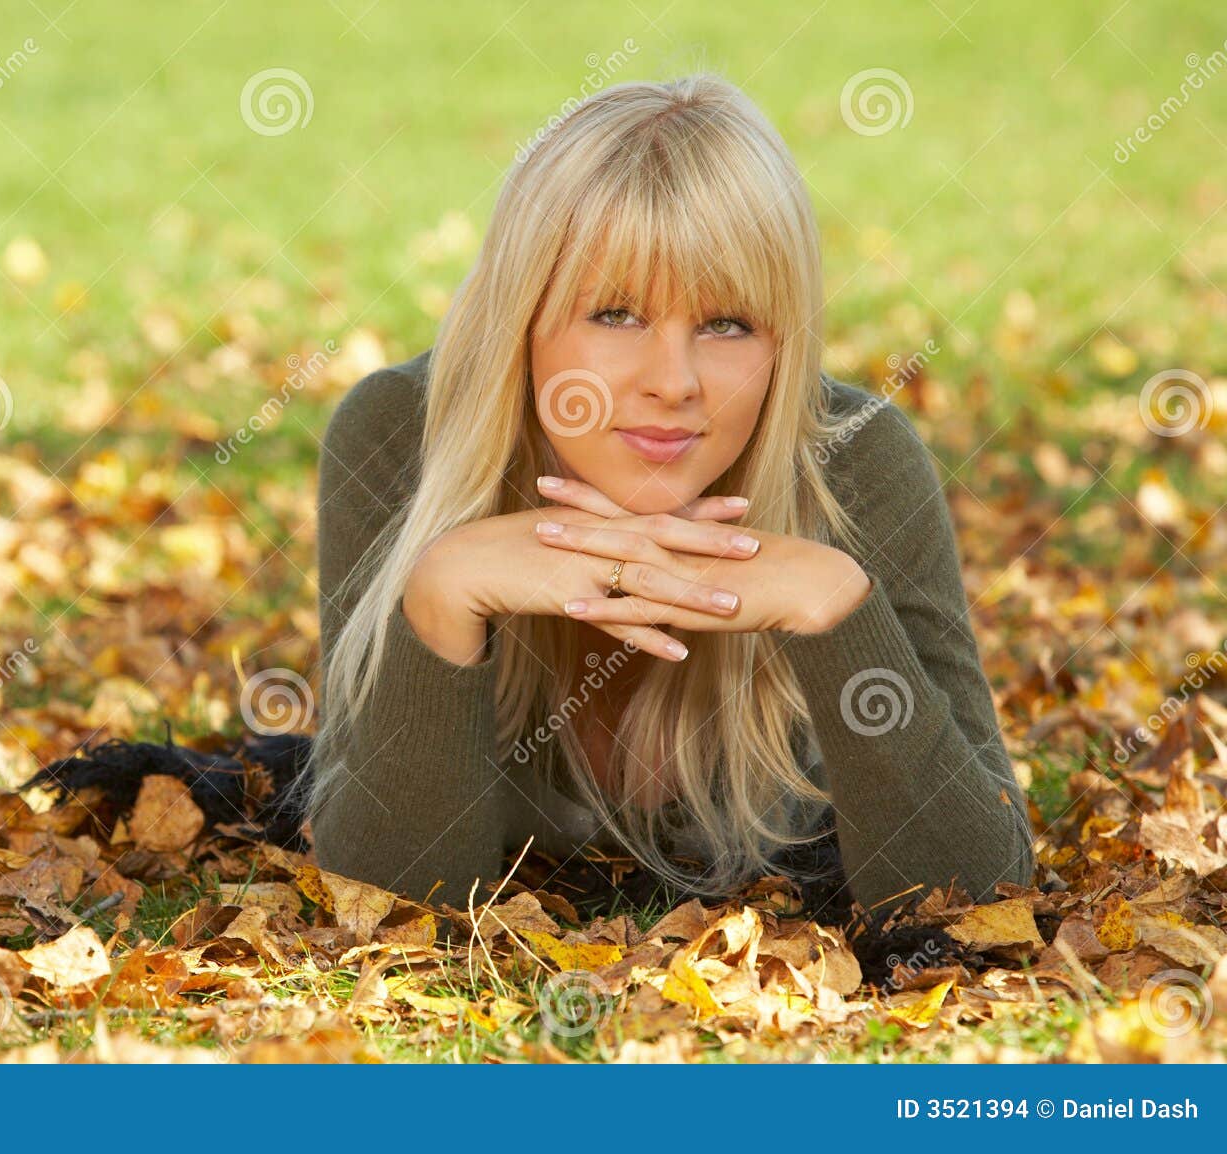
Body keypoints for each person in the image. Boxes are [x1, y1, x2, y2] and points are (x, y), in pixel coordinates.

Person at [305, 73, 1034, 914]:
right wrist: (441, 595)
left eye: (727, 324)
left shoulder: (856, 460)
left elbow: (985, 897)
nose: (673, 382)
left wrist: (835, 607)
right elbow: (385, 910)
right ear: (522, 316)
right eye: (615, 314)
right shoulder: (401, 439)